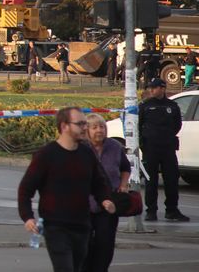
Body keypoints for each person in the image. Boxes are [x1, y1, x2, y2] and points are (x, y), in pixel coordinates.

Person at [17, 107, 117, 272]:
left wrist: (105, 199)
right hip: (55, 225)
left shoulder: (86, 153)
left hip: (82, 225)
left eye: (85, 123)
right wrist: (27, 217)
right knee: (64, 268)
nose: (85, 128)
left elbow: (99, 182)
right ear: (64, 127)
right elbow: (26, 188)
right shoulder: (46, 155)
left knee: (77, 267)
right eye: (80, 124)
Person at [82, 112, 130, 272]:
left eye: (102, 126)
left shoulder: (114, 147)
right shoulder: (80, 148)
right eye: (94, 127)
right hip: (84, 204)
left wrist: (123, 184)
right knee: (84, 242)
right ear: (87, 130)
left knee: (105, 242)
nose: (99, 130)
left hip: (109, 203)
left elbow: (125, 167)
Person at [139, 78, 188, 222]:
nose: (151, 90)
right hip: (150, 148)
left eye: (154, 88)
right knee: (151, 181)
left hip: (168, 148)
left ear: (162, 88)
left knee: (172, 180)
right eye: (150, 88)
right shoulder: (145, 106)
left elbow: (177, 125)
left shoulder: (172, 106)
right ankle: (151, 211)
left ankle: (172, 210)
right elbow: (139, 125)